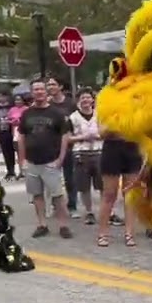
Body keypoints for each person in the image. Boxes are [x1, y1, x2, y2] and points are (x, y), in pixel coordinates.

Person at [18, 80, 73, 238]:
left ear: (46, 92)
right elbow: (21, 137)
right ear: (32, 92)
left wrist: (60, 158)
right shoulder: (26, 113)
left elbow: (65, 136)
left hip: (51, 161)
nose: (39, 92)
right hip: (32, 163)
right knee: (37, 195)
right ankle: (42, 224)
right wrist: (22, 161)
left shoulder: (56, 113)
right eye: (36, 89)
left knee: (57, 196)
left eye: (42, 89)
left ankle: (63, 226)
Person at [96, 120, 142, 248]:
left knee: (131, 194)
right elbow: (102, 132)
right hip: (112, 148)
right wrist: (119, 125)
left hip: (132, 148)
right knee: (109, 194)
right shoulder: (107, 104)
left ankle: (129, 233)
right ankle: (102, 233)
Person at [68, 88, 102, 225]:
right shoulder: (73, 117)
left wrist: (97, 136)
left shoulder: (99, 115)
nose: (85, 100)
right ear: (78, 100)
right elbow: (68, 138)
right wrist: (83, 137)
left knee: (102, 185)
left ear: (93, 100)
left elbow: (106, 131)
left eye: (88, 97)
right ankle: (89, 212)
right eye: (82, 98)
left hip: (99, 152)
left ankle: (108, 212)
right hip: (81, 153)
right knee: (84, 186)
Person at [45, 79, 79, 214]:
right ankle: (56, 205)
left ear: (60, 86)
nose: (50, 87)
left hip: (70, 145)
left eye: (53, 84)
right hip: (52, 146)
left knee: (70, 178)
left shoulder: (71, 104)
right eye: (48, 85)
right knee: (52, 178)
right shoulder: (46, 105)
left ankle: (72, 206)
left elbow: (77, 123)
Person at [0, 92, 17, 179]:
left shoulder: (12, 107)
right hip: (1, 131)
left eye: (3, 96)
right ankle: (9, 170)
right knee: (5, 152)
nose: (2, 98)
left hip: (11, 130)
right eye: (0, 96)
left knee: (13, 151)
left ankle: (15, 169)